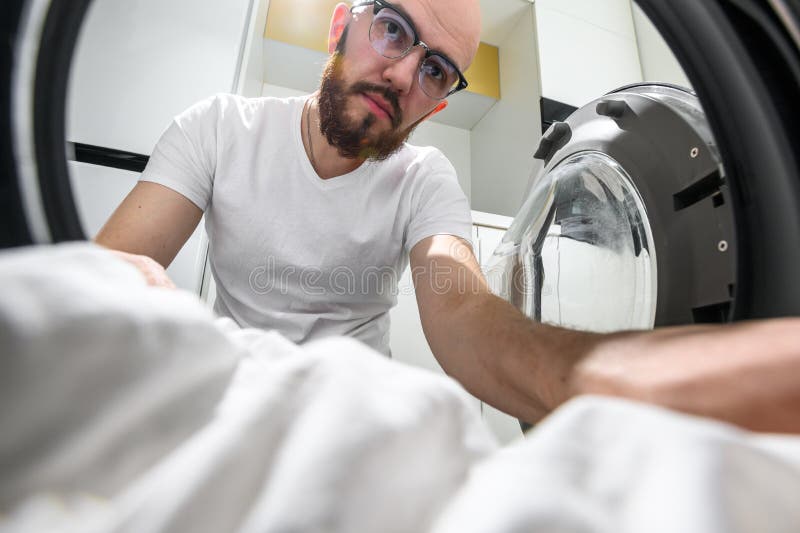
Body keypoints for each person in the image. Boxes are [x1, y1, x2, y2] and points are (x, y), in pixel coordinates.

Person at [96, 0, 800, 433]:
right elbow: (117, 265)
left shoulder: (423, 179)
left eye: (436, 71)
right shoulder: (219, 130)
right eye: (394, 30)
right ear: (343, 25)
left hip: (352, 412)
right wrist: (136, 302)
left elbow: (464, 316)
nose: (404, 75)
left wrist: (619, 386)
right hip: (224, 387)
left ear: (437, 106)